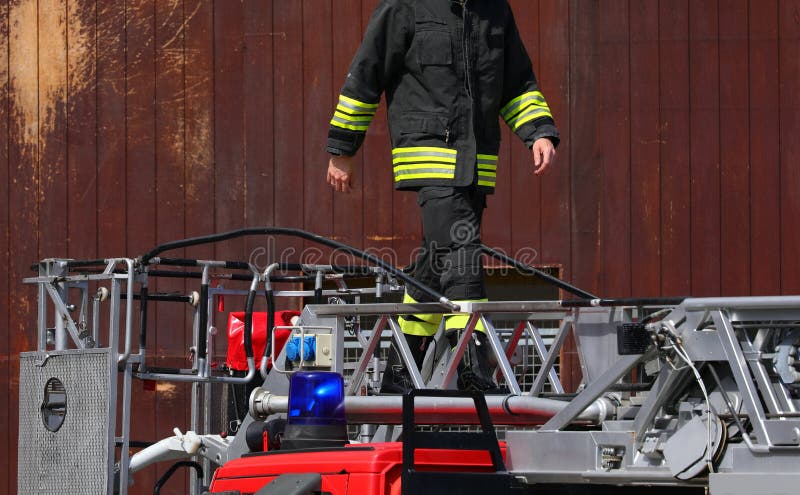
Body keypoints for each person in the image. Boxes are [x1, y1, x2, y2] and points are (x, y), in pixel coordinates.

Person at [326, 0, 558, 393]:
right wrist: (342, 151)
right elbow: (366, 74)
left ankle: (402, 367)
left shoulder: (494, 11)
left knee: (437, 260)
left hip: (476, 163)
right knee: (462, 249)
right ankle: (472, 360)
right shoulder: (405, 6)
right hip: (430, 155)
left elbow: (516, 83)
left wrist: (538, 132)